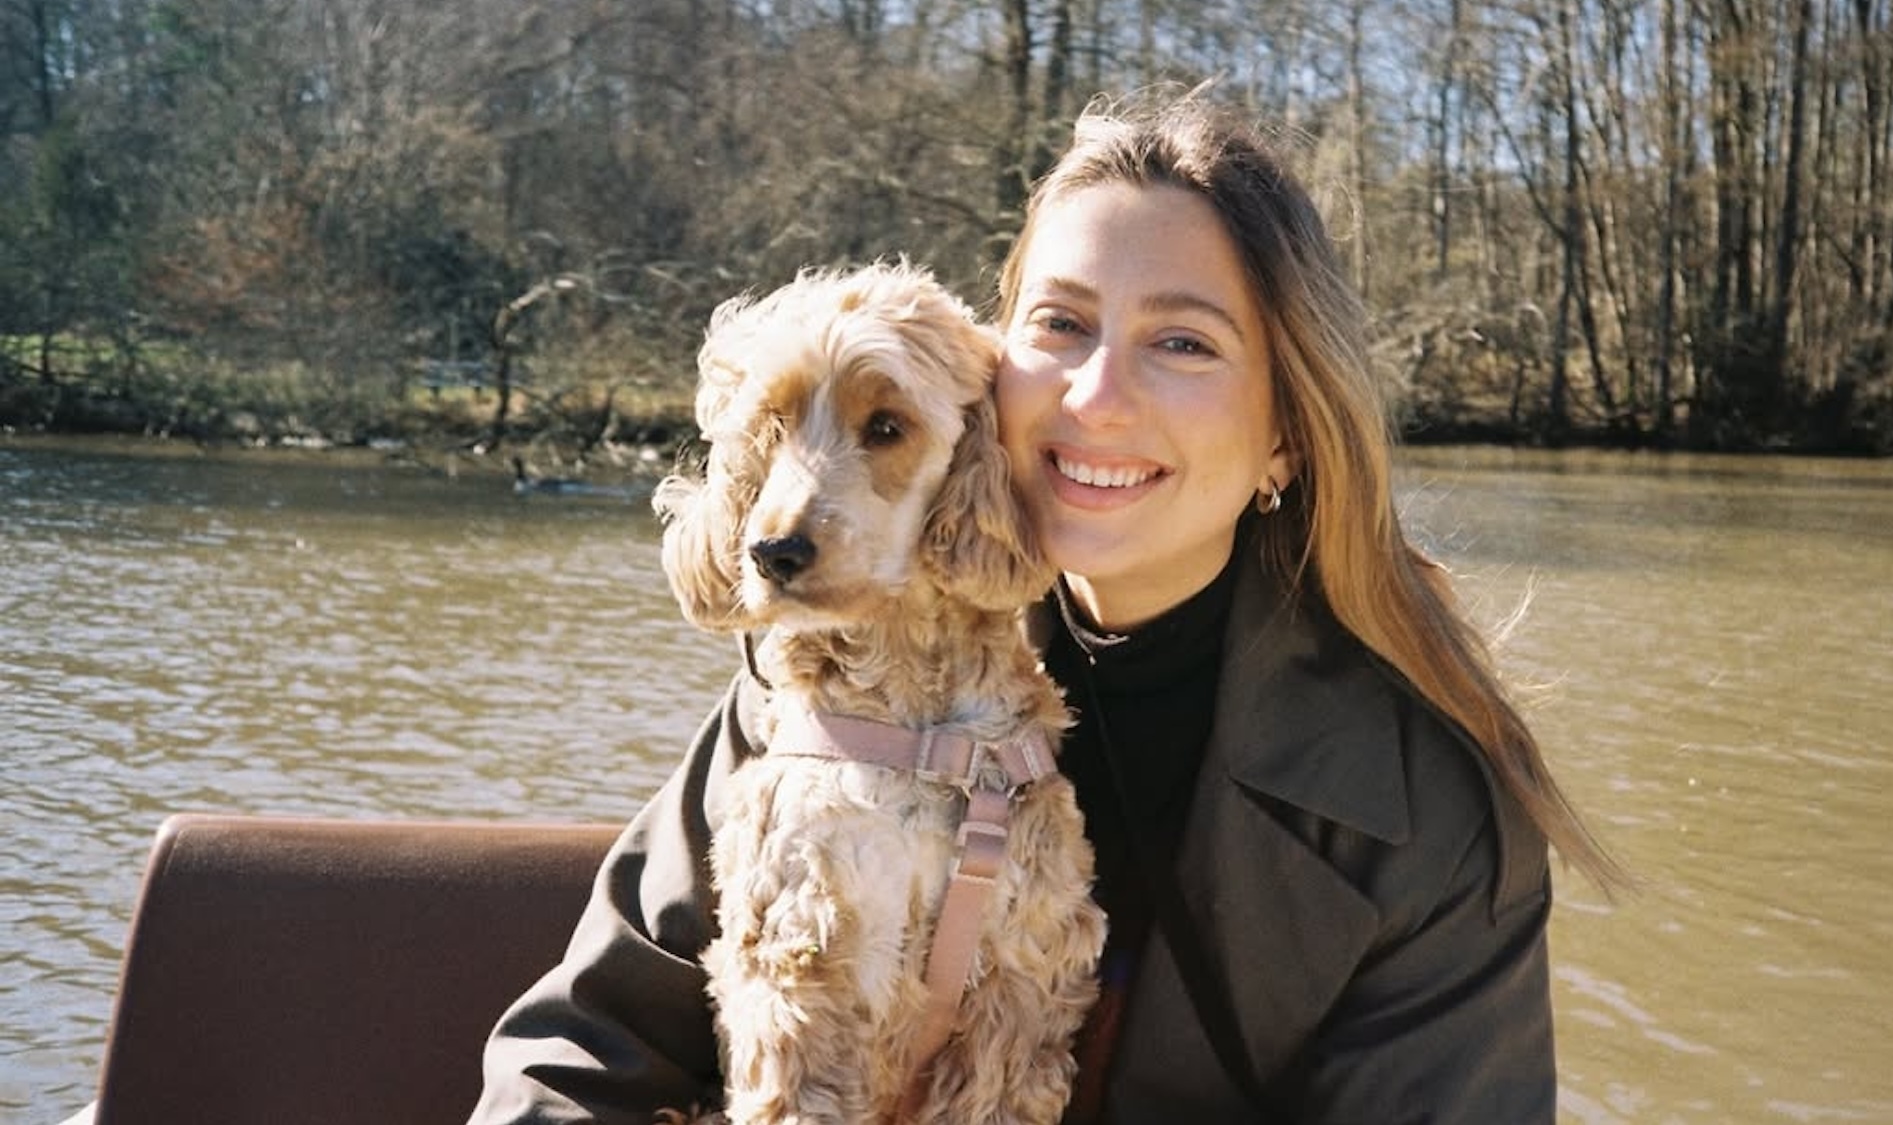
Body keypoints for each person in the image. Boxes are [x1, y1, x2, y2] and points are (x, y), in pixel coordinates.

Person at [467, 87, 1620, 1125]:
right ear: (986, 369)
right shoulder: (829, 669)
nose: (1094, 397)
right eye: (1059, 325)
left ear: (1284, 435)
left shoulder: (1418, 810)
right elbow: (579, 1054)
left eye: (1180, 342)